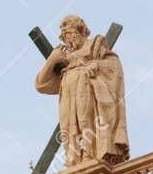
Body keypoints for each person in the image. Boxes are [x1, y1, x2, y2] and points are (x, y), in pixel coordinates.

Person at [35, 15, 129, 166]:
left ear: (82, 31)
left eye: (72, 34)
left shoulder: (95, 45)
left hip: (87, 87)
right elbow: (41, 84)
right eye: (65, 37)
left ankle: (89, 154)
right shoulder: (63, 57)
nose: (69, 39)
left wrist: (97, 65)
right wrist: (52, 60)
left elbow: (114, 65)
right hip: (67, 91)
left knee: (86, 120)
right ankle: (73, 158)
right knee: (67, 125)